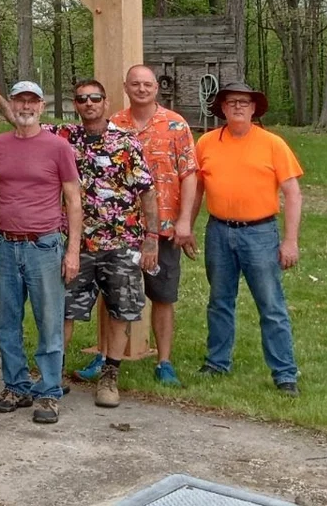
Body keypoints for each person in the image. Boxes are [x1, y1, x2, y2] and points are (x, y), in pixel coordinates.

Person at [79, 63, 198, 388]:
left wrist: (185, 220)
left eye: (147, 84)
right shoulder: (113, 123)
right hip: (117, 229)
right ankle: (103, 356)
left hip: (163, 228)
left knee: (162, 295)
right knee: (110, 294)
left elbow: (189, 174)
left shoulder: (176, 125)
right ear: (126, 87)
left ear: (156, 87)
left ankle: (164, 361)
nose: (141, 89)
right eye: (135, 84)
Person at [190, 81, 304, 395]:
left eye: (244, 102)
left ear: (254, 109)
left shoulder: (273, 144)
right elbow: (196, 189)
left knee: (271, 305)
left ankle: (284, 373)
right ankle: (217, 361)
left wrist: (290, 241)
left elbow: (293, 194)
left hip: (261, 233)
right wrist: (185, 224)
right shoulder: (207, 143)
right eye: (231, 102)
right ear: (222, 109)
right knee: (219, 301)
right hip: (219, 231)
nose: (238, 107)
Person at [0, 80, 81, 426]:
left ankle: (50, 391)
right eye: (20, 101)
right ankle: (16, 385)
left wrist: (72, 251)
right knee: (7, 319)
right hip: (5, 243)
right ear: (11, 104)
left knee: (49, 320)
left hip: (44, 244)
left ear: (41, 107)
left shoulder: (58, 148)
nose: (26, 108)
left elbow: (73, 199)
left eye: (32, 102)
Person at [58, 79, 159, 410]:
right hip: (79, 243)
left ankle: (110, 375)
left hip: (122, 243)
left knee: (122, 310)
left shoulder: (126, 143)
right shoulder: (64, 139)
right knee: (64, 310)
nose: (89, 103)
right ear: (75, 104)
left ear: (105, 102)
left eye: (95, 98)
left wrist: (151, 239)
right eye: (82, 99)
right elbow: (20, 118)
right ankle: (52, 373)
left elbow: (147, 191)